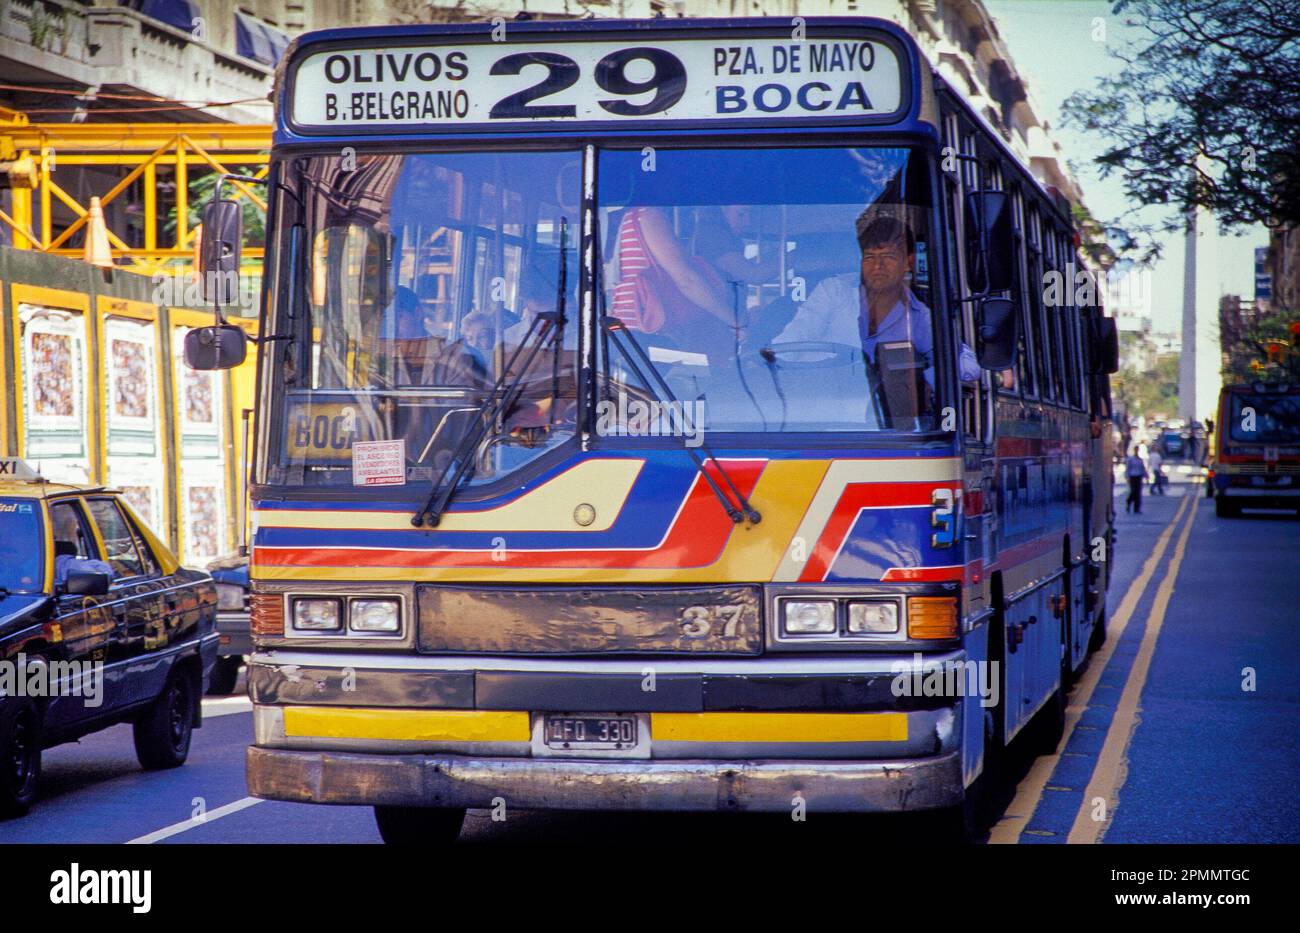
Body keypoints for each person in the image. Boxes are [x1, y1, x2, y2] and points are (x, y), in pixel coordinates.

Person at [772, 215, 981, 405]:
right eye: (869, 257)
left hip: (886, 423)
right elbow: (791, 341)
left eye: (888, 256)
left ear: (908, 262)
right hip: (820, 410)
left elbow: (967, 365)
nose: (877, 266)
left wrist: (921, 379)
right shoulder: (834, 292)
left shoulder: (918, 316)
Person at [1124, 446, 1147, 514]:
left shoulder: (1140, 459)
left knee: (1138, 493)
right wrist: (1127, 477)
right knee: (1133, 492)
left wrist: (1145, 476)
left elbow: (1142, 468)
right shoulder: (1131, 459)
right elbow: (1128, 468)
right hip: (1132, 476)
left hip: (1138, 477)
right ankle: (1128, 503)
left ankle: (1137, 508)